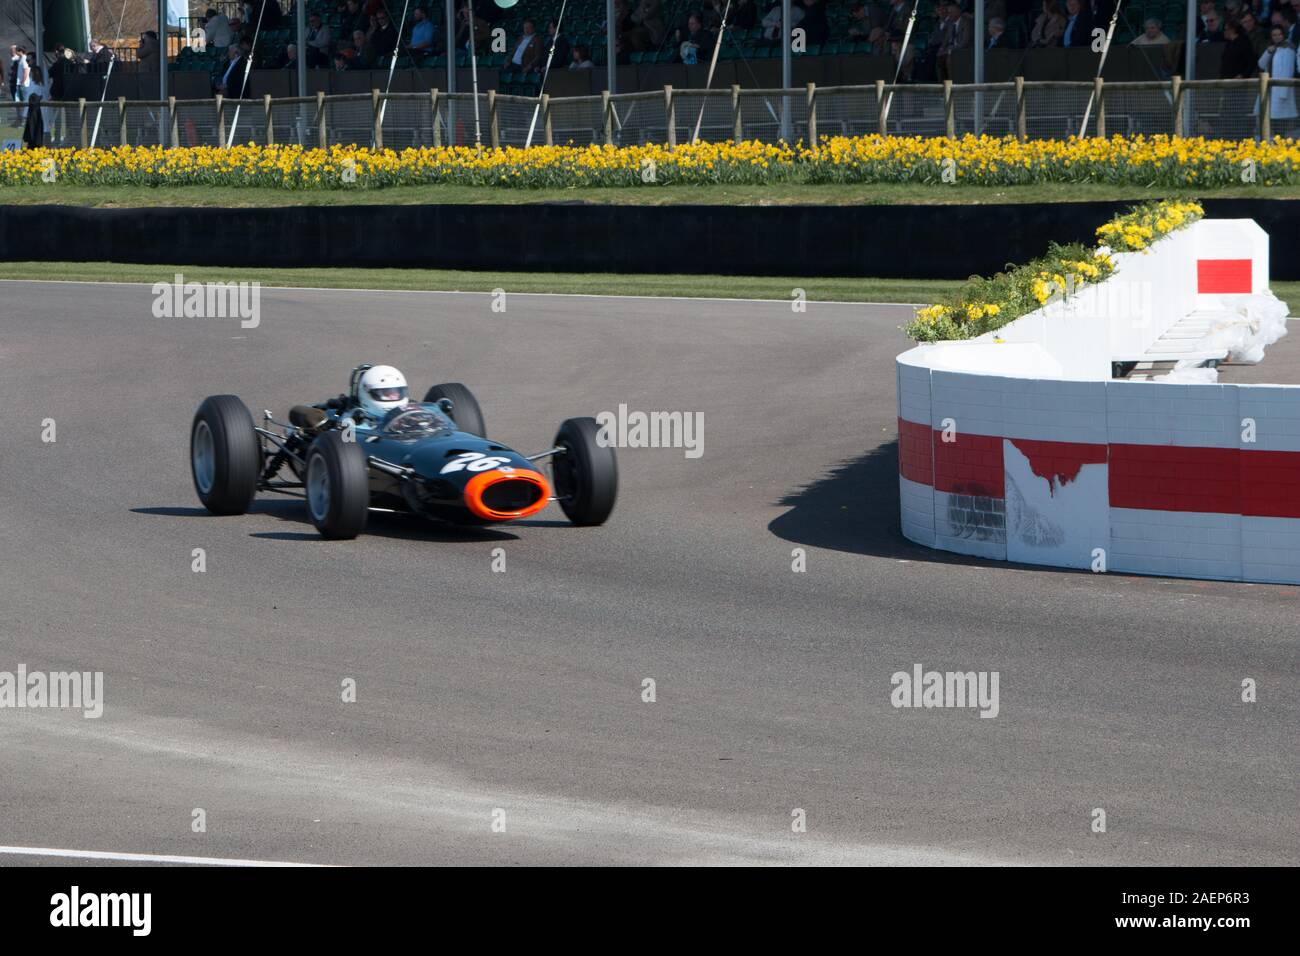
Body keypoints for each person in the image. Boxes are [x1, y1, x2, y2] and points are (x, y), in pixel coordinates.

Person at [1258, 25, 1298, 132]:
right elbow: (1261, 64)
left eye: (1279, 34)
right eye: (1274, 35)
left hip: (1281, 90)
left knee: (1281, 123)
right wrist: (1268, 52)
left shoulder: (1288, 48)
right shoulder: (1272, 48)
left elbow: (1288, 71)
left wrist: (1283, 92)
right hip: (1270, 89)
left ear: (1283, 35)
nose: (1276, 37)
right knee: (1269, 121)